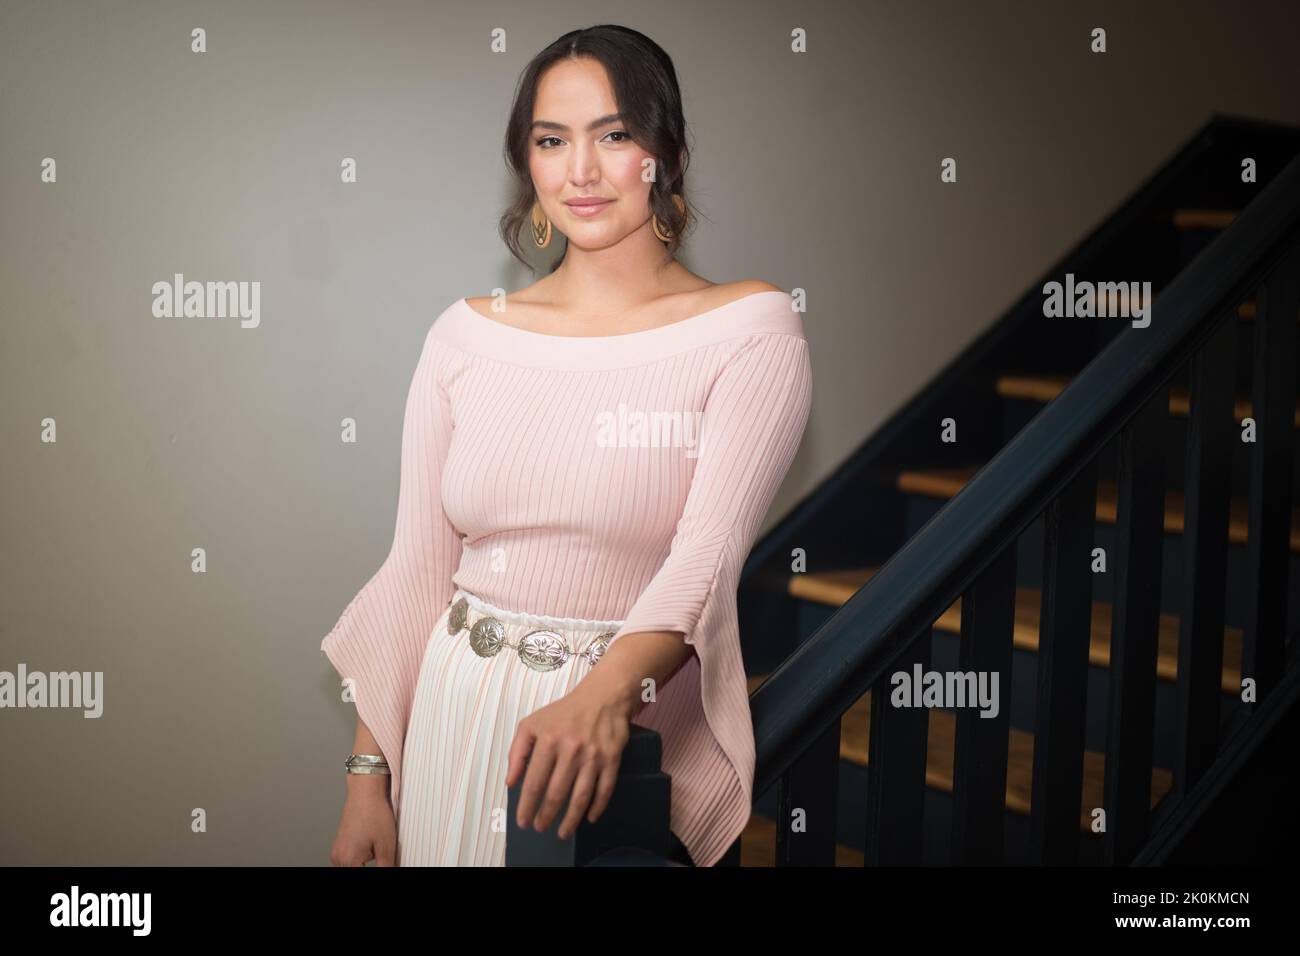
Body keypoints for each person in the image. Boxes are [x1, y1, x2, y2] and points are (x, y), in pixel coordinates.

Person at [322, 24, 813, 868]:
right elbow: (414, 572)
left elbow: (704, 563)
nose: (580, 172)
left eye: (614, 135)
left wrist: (601, 698)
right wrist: (369, 775)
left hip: (610, 739)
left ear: (666, 153)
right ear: (528, 163)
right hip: (451, 715)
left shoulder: (750, 330)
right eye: (552, 141)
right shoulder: (465, 335)